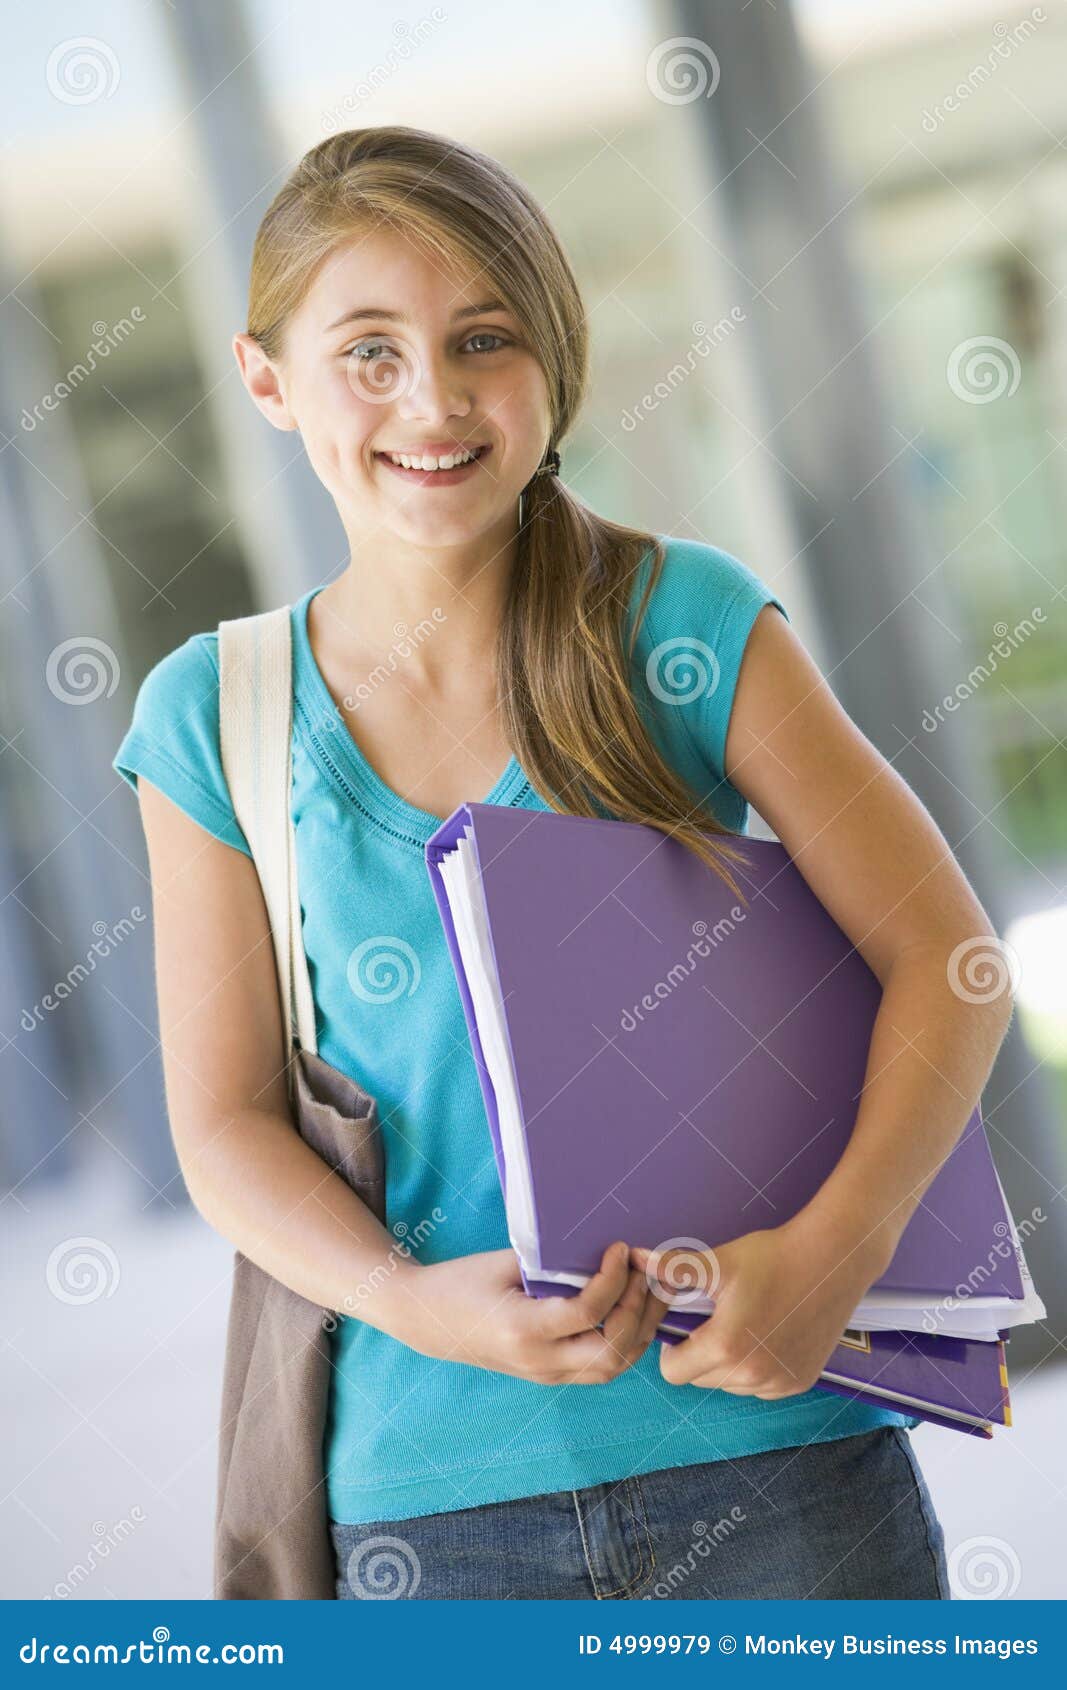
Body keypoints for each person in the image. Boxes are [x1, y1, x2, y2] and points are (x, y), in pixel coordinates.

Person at [113, 125, 1010, 1601]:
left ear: (556, 359)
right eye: (371, 352)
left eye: (485, 339)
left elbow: (952, 960)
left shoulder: (687, 623)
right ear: (268, 380)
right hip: (430, 1508)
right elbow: (222, 1126)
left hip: (777, 1461)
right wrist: (412, 1303)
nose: (437, 400)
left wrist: (838, 1249)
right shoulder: (216, 716)